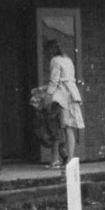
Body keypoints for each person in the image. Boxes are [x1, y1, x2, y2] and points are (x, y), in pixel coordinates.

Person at [34, 39, 83, 168]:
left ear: (50, 51)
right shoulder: (67, 59)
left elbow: (54, 80)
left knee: (57, 127)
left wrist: (48, 95)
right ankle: (69, 159)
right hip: (73, 94)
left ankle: (59, 159)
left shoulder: (55, 61)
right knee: (69, 128)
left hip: (62, 96)